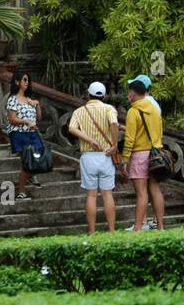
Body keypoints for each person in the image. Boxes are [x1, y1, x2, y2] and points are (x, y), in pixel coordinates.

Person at [68, 81, 119, 234]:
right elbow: (114, 123)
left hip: (88, 157)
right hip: (105, 155)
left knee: (91, 195)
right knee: (107, 194)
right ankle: (111, 230)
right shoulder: (109, 108)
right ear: (103, 95)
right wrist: (115, 144)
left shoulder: (79, 111)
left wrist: (89, 139)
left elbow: (71, 128)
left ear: (88, 94)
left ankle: (91, 231)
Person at [122, 75, 166, 231]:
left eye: (129, 93)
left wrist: (124, 159)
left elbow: (129, 139)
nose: (128, 96)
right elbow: (160, 130)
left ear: (134, 94)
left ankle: (138, 228)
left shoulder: (133, 111)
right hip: (155, 154)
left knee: (141, 194)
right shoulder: (155, 108)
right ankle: (160, 226)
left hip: (140, 154)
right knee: (155, 190)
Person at [4, 70, 45, 201]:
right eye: (24, 80)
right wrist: (26, 121)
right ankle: (22, 192)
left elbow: (39, 117)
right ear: (17, 82)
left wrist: (37, 104)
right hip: (19, 134)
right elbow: (12, 119)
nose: (27, 82)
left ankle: (31, 175)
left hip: (32, 133)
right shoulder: (13, 99)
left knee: (38, 154)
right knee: (26, 162)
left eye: (28, 80)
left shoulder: (29, 99)